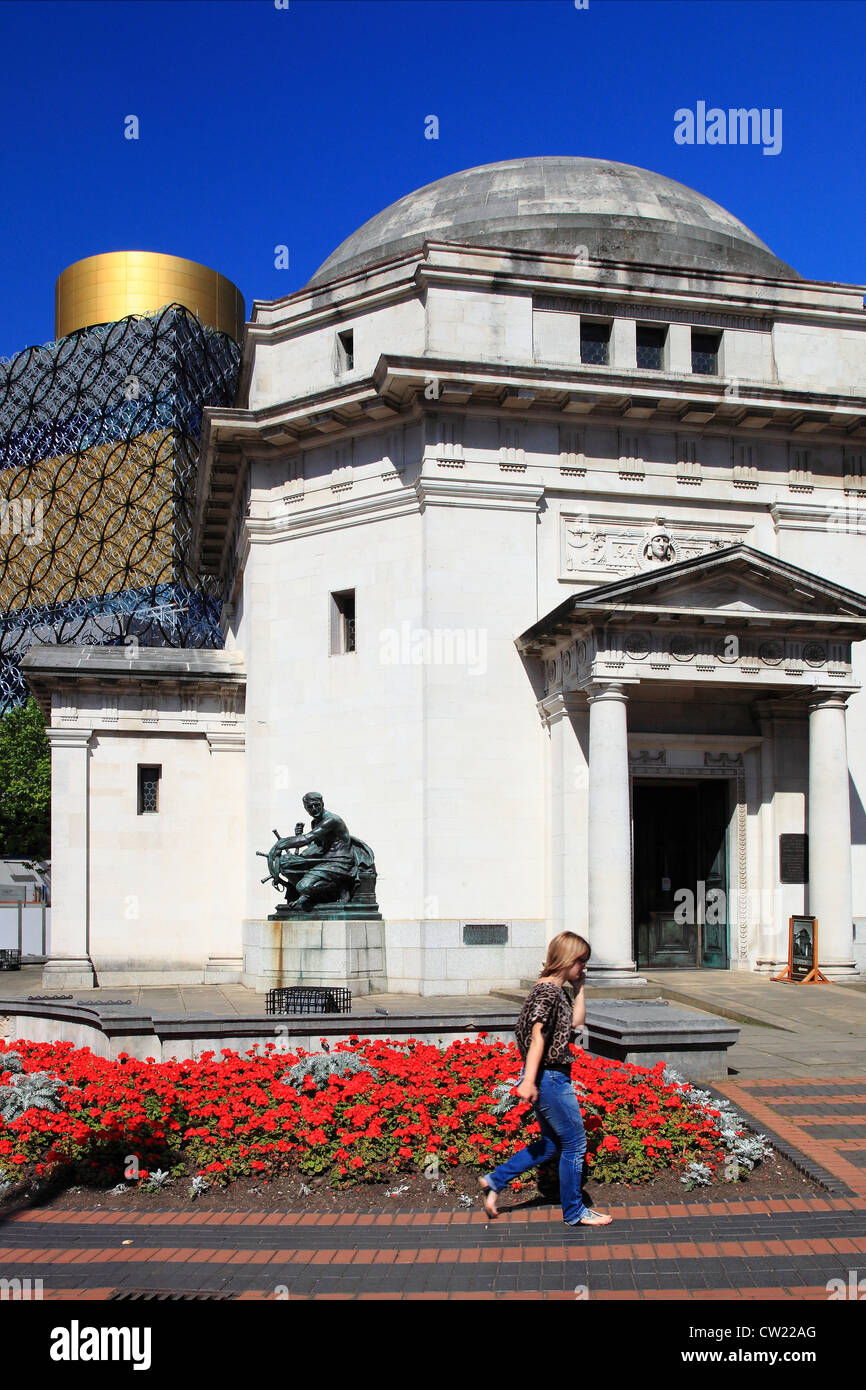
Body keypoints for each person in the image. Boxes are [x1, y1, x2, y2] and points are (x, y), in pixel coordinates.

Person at [479, 931, 613, 1227]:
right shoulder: (548, 993)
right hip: (551, 1077)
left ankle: (494, 1181)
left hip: (547, 1077)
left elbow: (576, 1023)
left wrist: (579, 988)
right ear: (568, 960)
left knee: (552, 1145)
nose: (584, 969)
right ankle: (575, 1212)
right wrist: (528, 1080)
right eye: (581, 963)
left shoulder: (552, 990)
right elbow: (537, 1034)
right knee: (576, 1144)